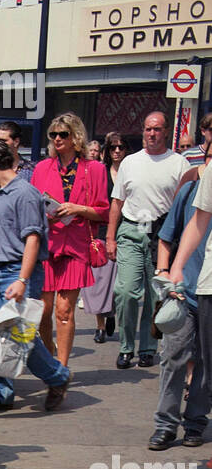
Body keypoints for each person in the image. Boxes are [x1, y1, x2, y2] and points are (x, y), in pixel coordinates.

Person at [0, 139, 73, 414]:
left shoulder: (25, 194)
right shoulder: (2, 194)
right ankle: (1, 393)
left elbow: (32, 239)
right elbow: (7, 236)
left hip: (17, 272)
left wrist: (23, 279)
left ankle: (58, 377)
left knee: (21, 337)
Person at [107, 110, 190, 369]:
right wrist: (110, 237)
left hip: (162, 236)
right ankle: (126, 346)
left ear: (166, 132)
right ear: (143, 131)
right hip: (131, 231)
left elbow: (184, 206)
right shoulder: (130, 162)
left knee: (156, 295)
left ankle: (148, 347)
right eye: (147, 129)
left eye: (157, 129)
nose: (152, 133)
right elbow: (117, 202)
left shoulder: (179, 164)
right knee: (126, 292)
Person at [30, 112, 109, 366]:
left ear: (76, 137)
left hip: (75, 246)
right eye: (53, 134)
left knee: (64, 310)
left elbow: (103, 210)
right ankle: (49, 352)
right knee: (43, 310)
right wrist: (47, 215)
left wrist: (77, 208)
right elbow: (32, 206)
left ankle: (61, 369)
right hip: (47, 245)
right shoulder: (43, 168)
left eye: (63, 134)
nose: (57, 139)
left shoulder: (94, 169)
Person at [148, 141, 212, 450]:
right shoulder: (190, 191)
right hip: (185, 289)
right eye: (208, 157)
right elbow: (167, 235)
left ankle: (196, 422)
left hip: (209, 291)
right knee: (173, 357)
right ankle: (165, 424)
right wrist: (165, 272)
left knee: (204, 362)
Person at [83, 132, 124, 343]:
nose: (117, 151)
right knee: (99, 281)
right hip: (100, 232)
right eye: (113, 148)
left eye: (121, 147)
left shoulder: (129, 171)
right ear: (107, 151)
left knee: (119, 285)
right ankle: (99, 326)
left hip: (124, 231)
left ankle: (111, 312)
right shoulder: (101, 172)